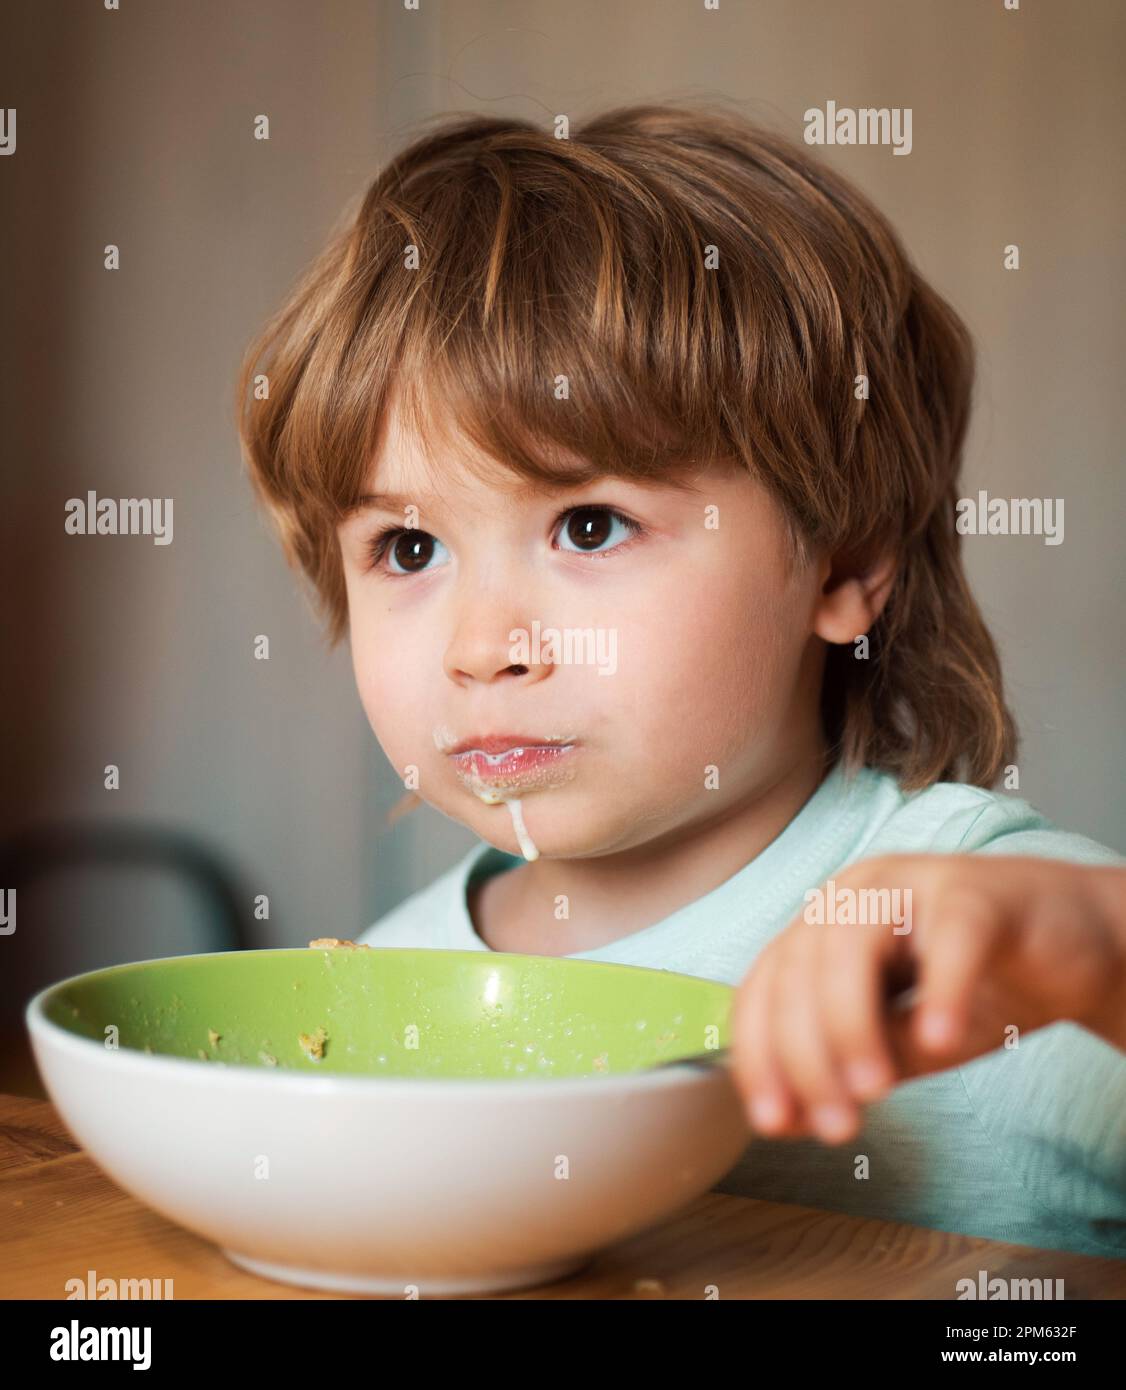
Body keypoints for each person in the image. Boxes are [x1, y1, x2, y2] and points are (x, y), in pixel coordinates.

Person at [236, 104, 1126, 1258]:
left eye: (591, 525)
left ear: (846, 563)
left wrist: (1094, 950)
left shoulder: (994, 928)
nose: (480, 645)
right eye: (408, 550)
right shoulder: (393, 978)